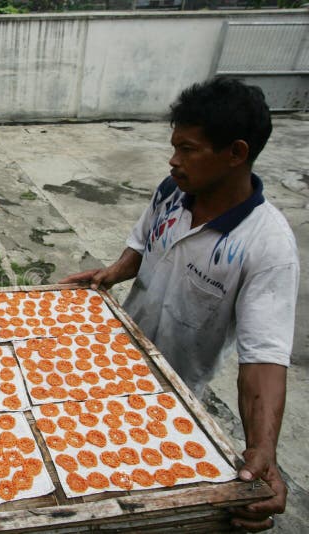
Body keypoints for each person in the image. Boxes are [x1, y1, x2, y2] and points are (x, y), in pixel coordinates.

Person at [61, 77, 298, 532]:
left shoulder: (266, 245)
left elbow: (263, 357)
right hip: (115, 354)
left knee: (134, 490)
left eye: (188, 149)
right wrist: (113, 272)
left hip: (174, 393)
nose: (174, 160)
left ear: (236, 152)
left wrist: (262, 448)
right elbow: (143, 243)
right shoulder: (171, 191)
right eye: (174, 146)